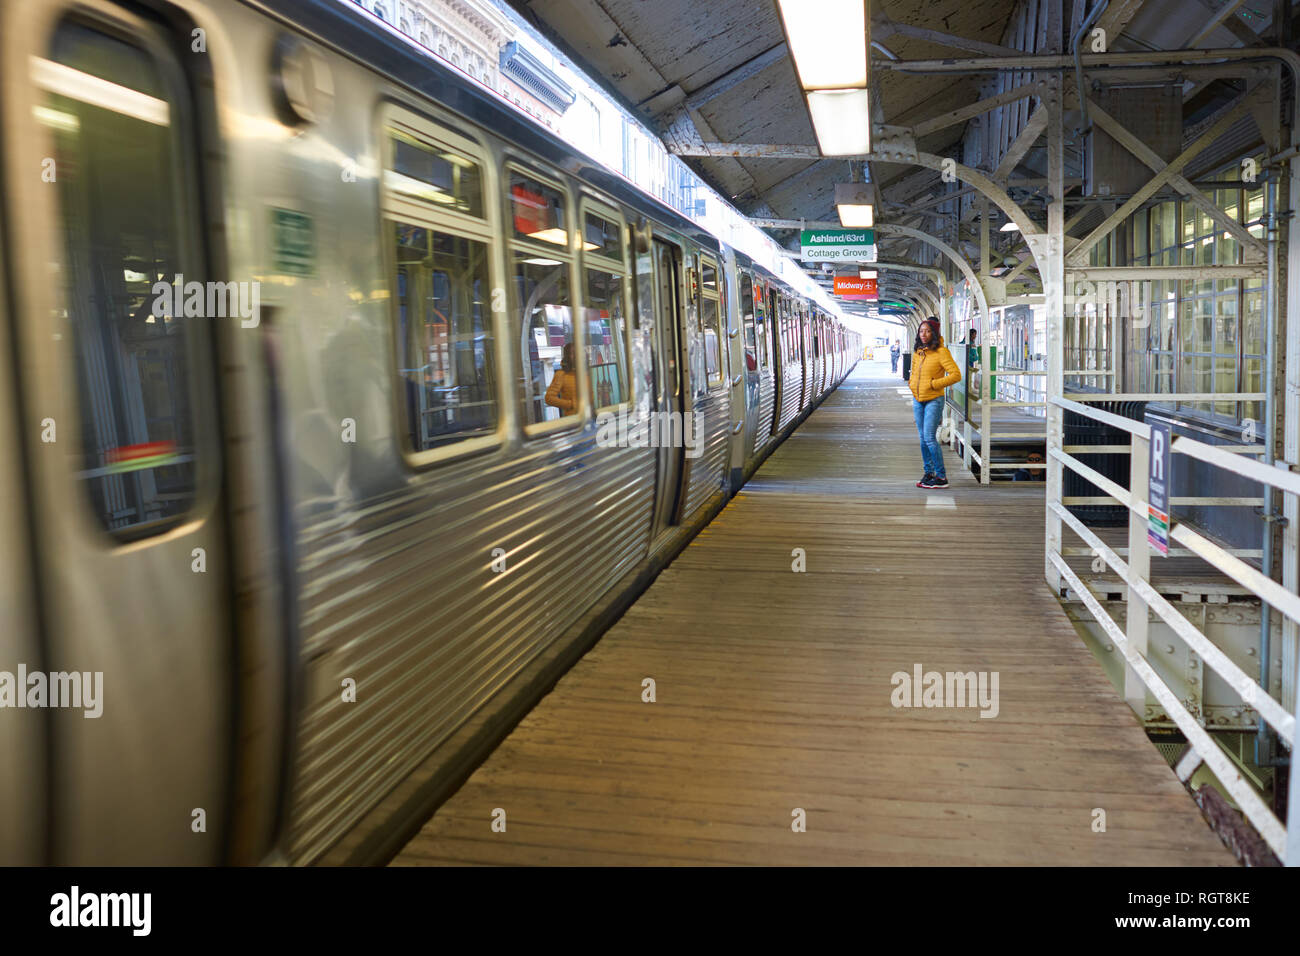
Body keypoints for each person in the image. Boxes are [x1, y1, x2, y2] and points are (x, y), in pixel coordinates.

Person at [908, 317, 961, 489]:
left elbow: (955, 374)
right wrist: (912, 385)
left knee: (930, 438)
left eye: (928, 331)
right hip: (918, 399)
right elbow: (914, 372)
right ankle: (928, 473)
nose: (924, 334)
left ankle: (941, 476)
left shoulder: (941, 352)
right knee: (923, 438)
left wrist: (933, 384)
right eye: (921, 331)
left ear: (934, 333)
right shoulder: (918, 351)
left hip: (934, 399)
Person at [545, 342, 578, 417]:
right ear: (567, 356)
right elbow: (549, 398)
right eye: (573, 353)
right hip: (573, 420)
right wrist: (571, 404)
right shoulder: (561, 374)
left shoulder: (586, 373)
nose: (577, 356)